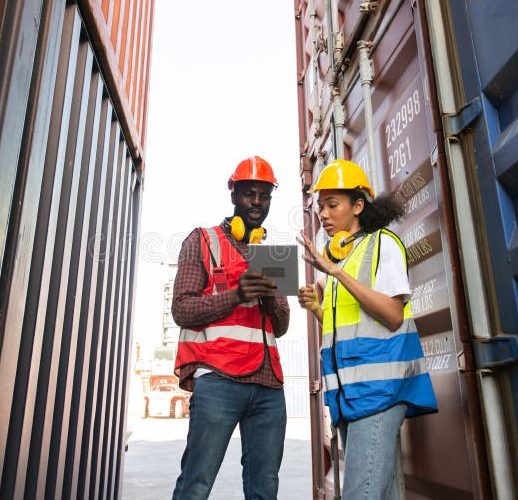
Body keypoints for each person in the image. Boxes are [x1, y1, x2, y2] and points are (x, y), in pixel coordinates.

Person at [297, 159, 437, 500]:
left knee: (361, 494)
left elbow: (391, 315)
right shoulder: (343, 258)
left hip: (379, 394)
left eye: (333, 205)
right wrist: (318, 309)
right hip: (350, 398)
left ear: (358, 205)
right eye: (321, 208)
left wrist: (335, 273)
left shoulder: (383, 245)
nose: (324, 215)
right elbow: (351, 330)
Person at [171, 156, 290, 500]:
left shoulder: (273, 253)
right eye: (249, 193)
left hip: (269, 386)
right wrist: (236, 295)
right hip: (219, 383)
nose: (257, 202)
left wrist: (269, 299)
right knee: (196, 484)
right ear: (233, 194)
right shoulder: (202, 241)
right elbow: (181, 309)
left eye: (264, 195)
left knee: (264, 490)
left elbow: (280, 327)